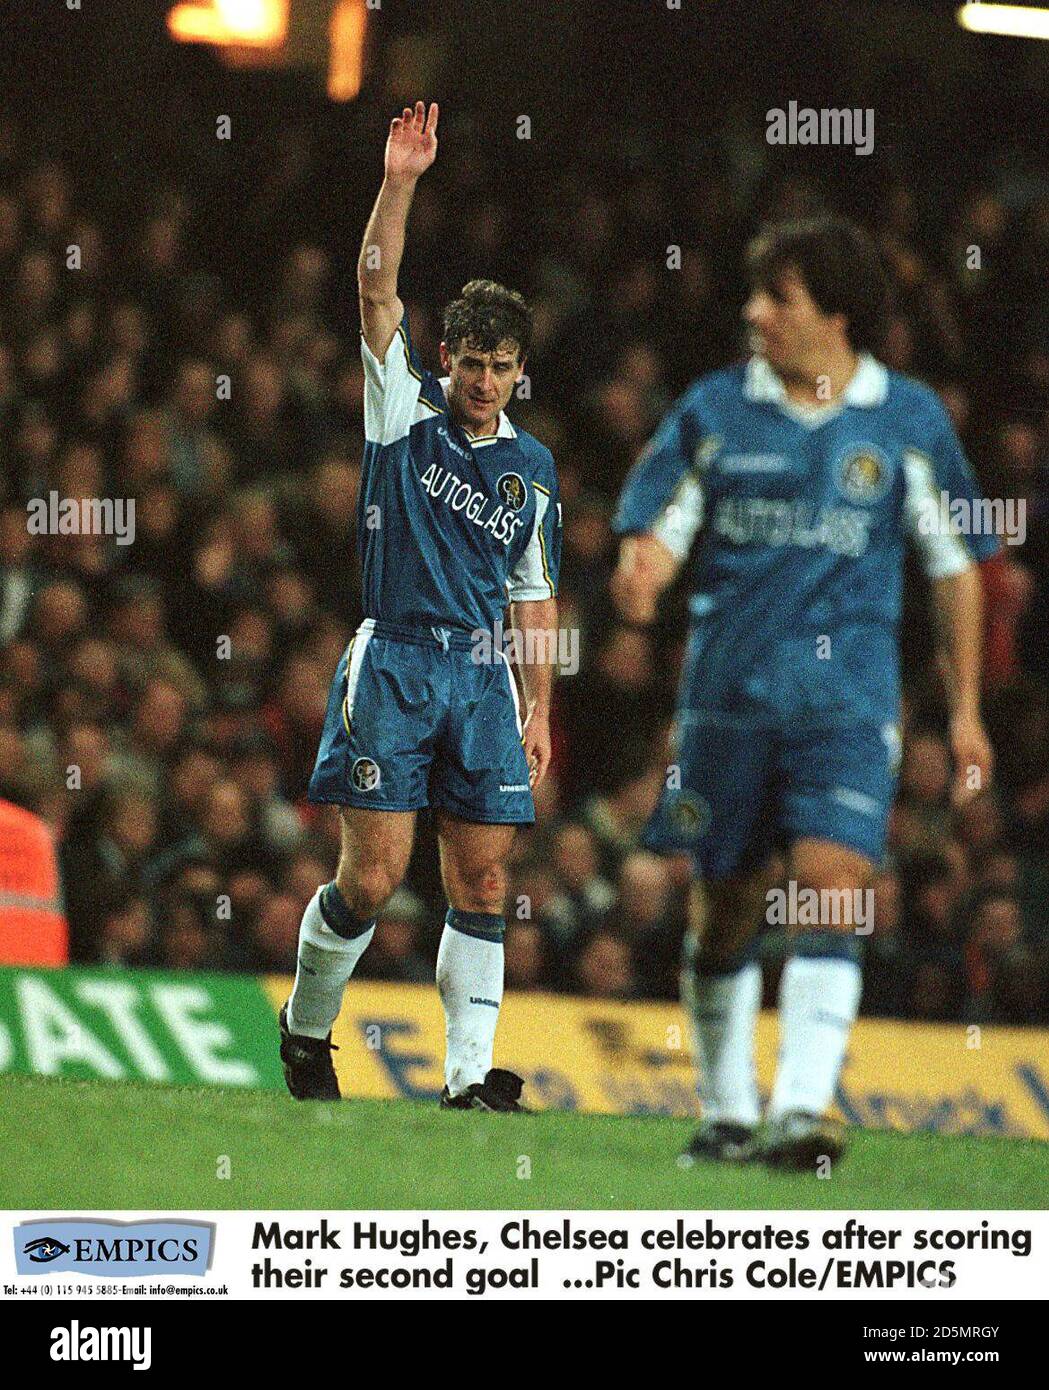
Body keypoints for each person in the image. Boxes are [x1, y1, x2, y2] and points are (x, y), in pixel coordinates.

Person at [610, 216, 996, 1169]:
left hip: (847, 709)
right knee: (724, 911)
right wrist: (642, 570)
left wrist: (965, 712)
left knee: (832, 888)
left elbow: (955, 570)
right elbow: (653, 527)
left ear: (836, 312)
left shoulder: (906, 421)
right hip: (726, 706)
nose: (753, 313)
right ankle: (729, 1108)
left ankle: (802, 1111)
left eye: (775, 298)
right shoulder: (712, 412)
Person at [279, 102, 561, 1112]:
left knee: (482, 881)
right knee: (374, 877)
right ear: (443, 358)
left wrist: (538, 705)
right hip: (394, 660)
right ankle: (306, 1028)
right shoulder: (399, 412)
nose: (480, 379)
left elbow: (533, 594)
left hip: (483, 678)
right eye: (467, 360)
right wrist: (399, 182)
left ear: (517, 371)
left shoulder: (532, 471)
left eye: (498, 365)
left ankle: (466, 1080)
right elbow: (374, 289)